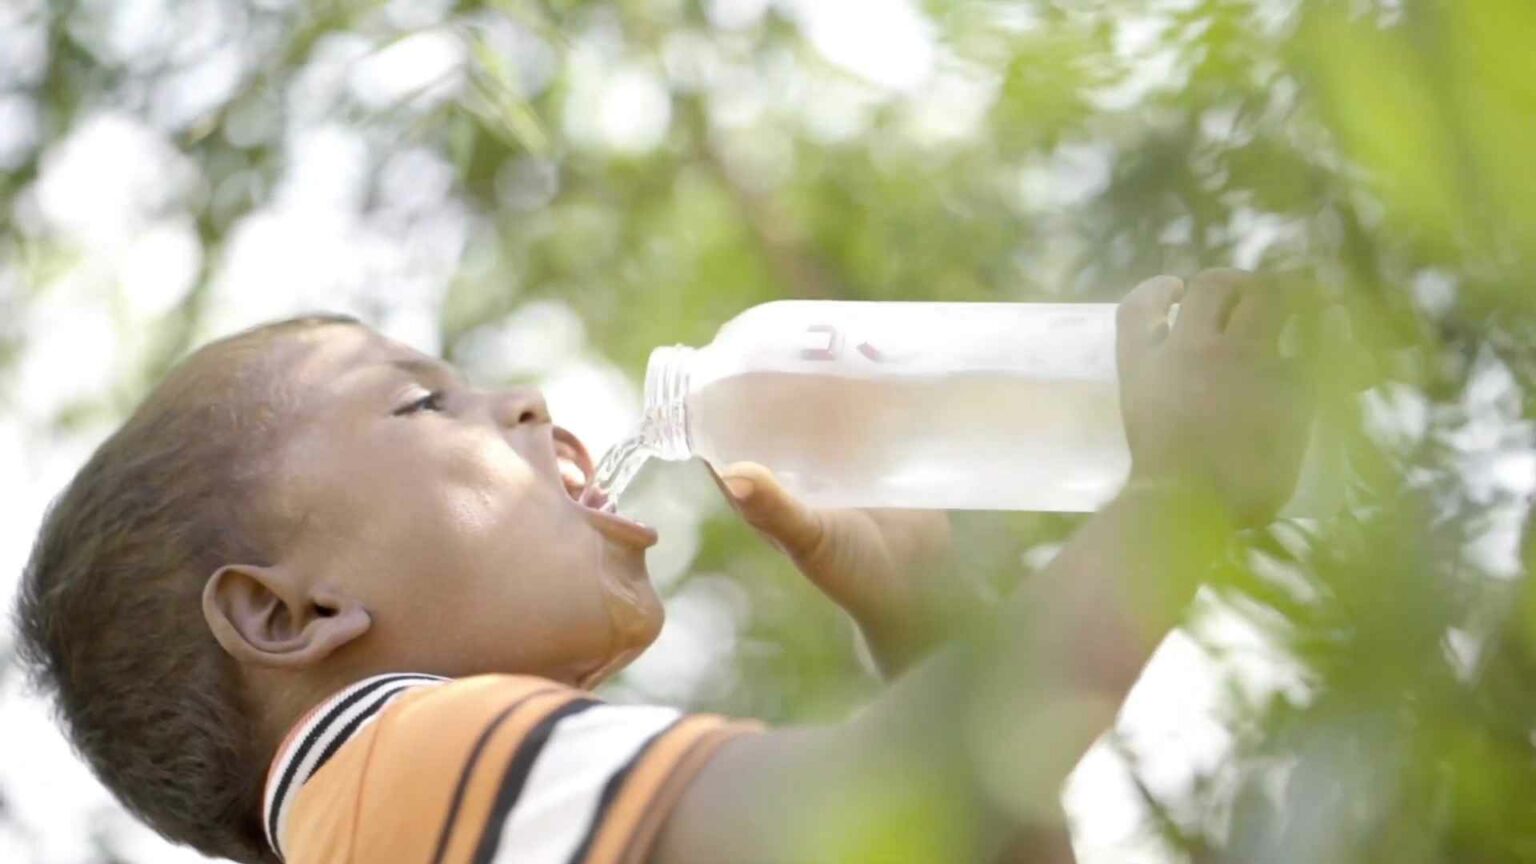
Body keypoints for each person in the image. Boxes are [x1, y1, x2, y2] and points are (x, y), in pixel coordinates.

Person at [12, 269, 1312, 863]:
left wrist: (926, 624)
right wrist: (1177, 495)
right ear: (287, 612)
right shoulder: (383, 769)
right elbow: (877, 817)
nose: (528, 402)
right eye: (423, 405)